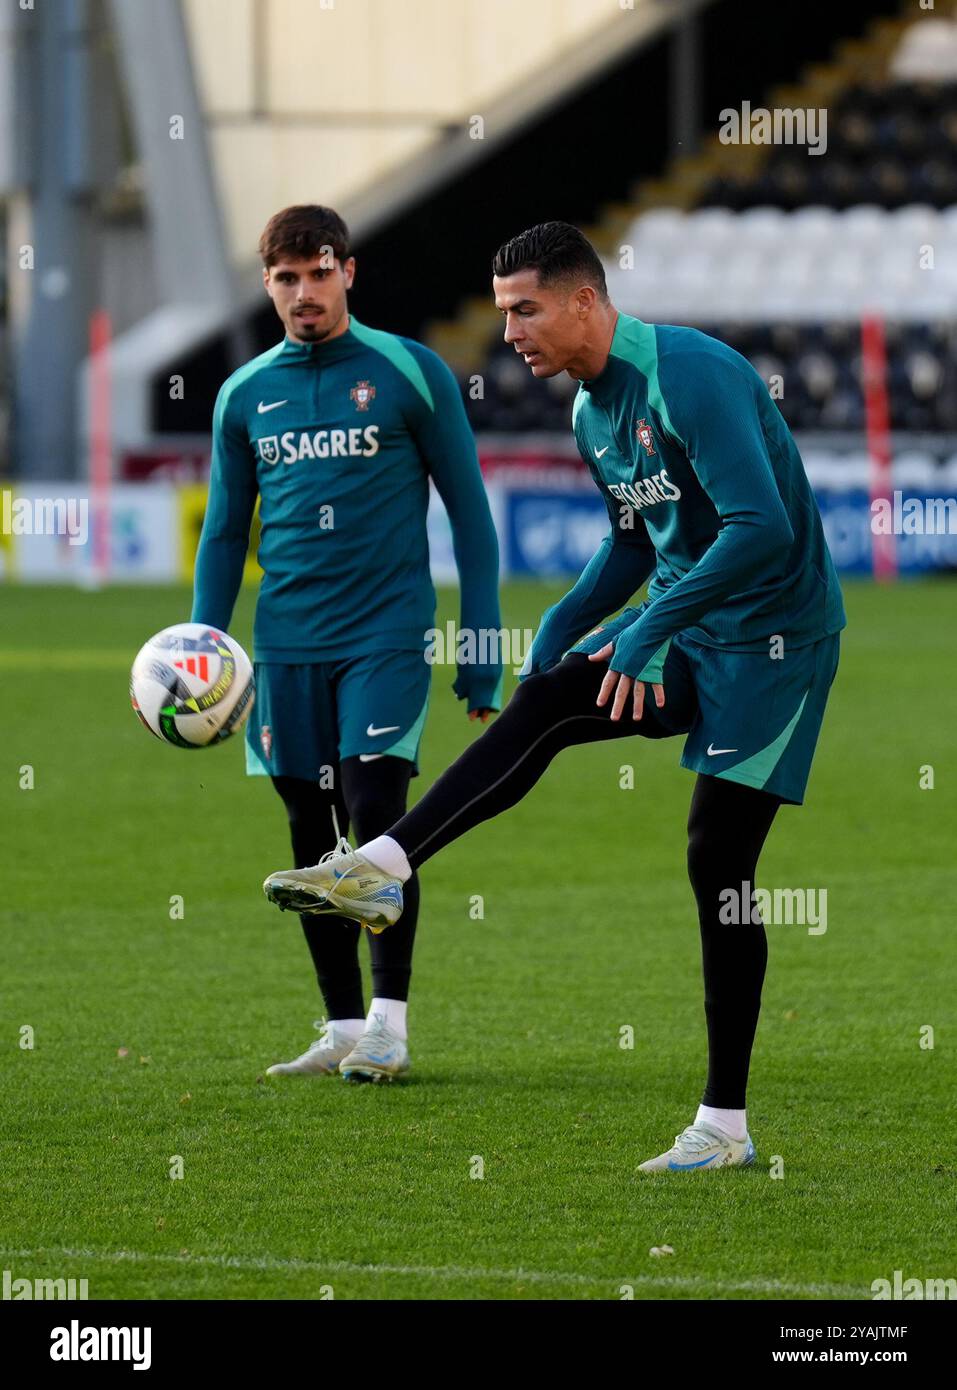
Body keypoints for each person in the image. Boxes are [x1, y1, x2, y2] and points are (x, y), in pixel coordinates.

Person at [263, 220, 846, 1170]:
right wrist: (563, 628)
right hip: (692, 621)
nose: (512, 333)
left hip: (777, 644)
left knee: (717, 863)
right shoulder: (586, 411)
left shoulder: (689, 376)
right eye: (502, 313)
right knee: (550, 700)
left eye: (525, 309)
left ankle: (724, 1127)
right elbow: (631, 541)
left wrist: (648, 628)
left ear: (585, 301)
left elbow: (761, 529)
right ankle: (381, 866)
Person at [193, 204, 502, 1082]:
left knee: (374, 820)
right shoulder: (243, 393)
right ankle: (337, 1027)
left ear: (348, 272)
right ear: (267, 285)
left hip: (385, 637)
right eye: (284, 278)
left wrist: (482, 648)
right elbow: (223, 533)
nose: (303, 293)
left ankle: (389, 1025)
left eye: (318, 273)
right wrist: (202, 650)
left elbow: (471, 519)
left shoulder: (411, 370)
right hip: (284, 647)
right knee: (306, 835)